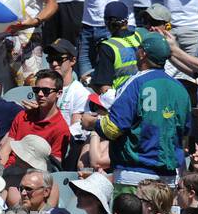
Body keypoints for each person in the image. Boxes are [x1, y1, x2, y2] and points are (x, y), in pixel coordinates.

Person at [81, 31, 190, 190]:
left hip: (133, 178)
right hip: (168, 180)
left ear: (142, 53)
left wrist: (92, 124)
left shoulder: (135, 82)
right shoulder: (181, 89)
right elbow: (185, 133)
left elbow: (113, 128)